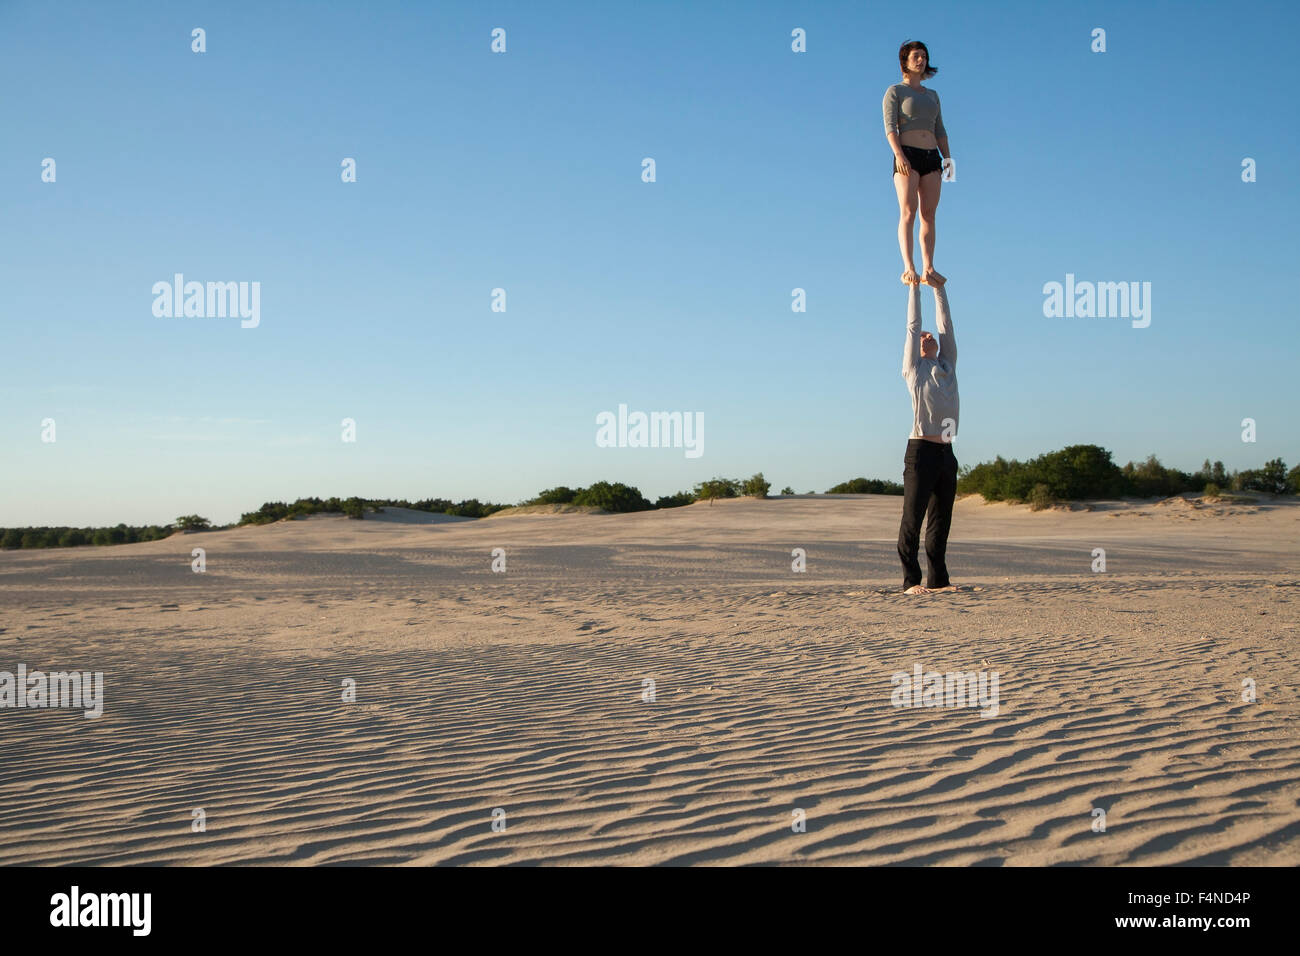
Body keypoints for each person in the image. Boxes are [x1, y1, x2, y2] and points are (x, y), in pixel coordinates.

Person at [897, 274, 959, 594]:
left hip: (947, 454)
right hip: (920, 451)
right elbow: (912, 325)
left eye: (928, 336)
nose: (926, 337)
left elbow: (945, 324)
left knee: (940, 522)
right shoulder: (914, 371)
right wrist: (914, 289)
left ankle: (939, 581)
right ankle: (911, 581)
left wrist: (939, 288)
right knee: (913, 519)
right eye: (920, 341)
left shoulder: (948, 364)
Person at [882, 40, 951, 288]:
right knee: (908, 211)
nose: (921, 60)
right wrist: (899, 154)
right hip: (907, 155)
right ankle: (908, 266)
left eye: (924, 56)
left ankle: (929, 267)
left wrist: (948, 158)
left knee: (929, 215)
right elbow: (890, 127)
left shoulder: (933, 95)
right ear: (905, 61)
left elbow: (940, 128)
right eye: (916, 56)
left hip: (932, 156)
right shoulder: (895, 91)